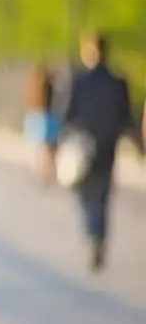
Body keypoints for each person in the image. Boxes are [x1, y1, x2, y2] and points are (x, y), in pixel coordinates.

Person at [62, 32, 145, 271]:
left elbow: (68, 113)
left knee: (84, 191)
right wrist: (138, 144)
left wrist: (64, 137)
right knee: (102, 194)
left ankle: (93, 231)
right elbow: (127, 116)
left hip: (84, 144)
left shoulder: (80, 80)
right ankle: (99, 235)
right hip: (108, 145)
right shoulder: (118, 81)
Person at [22, 62, 62, 185]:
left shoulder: (33, 86)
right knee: (48, 145)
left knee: (42, 147)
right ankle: (48, 169)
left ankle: (44, 170)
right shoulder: (49, 86)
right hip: (46, 115)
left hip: (37, 115)